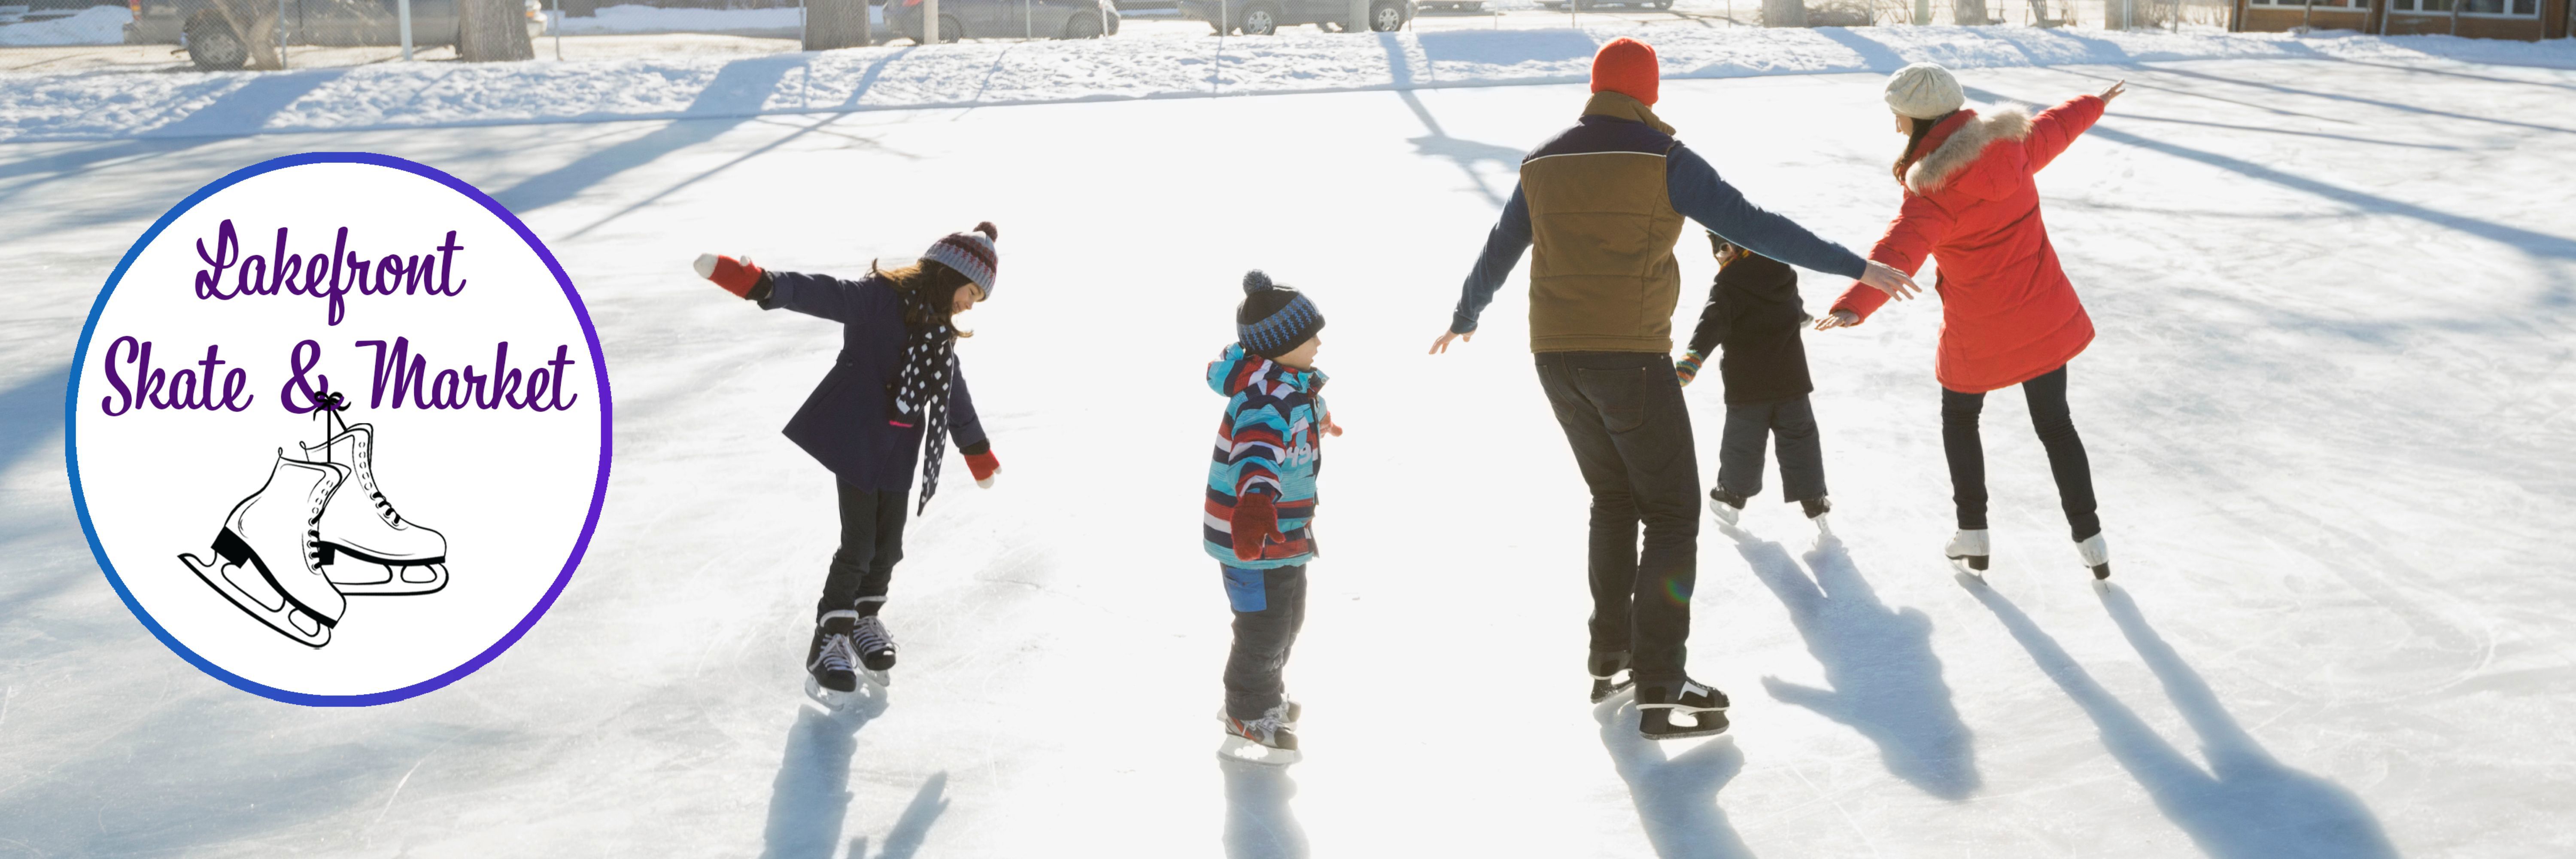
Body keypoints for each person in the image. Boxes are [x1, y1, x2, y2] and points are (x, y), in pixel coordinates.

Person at [1431, 37, 1920, 740]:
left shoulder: (1542, 161)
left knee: (1613, 499)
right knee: (1670, 514)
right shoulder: (1663, 158)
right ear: (1647, 92)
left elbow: (1501, 247)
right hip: (1627, 359)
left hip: (1555, 358)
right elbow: (1753, 226)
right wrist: (1856, 266)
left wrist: (1466, 315)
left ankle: (1612, 659)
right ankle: (1662, 684)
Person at [1815, 63, 2127, 580]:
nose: (1896, 128)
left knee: (1960, 419)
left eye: (1899, 118)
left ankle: (1973, 533)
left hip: (1979, 332)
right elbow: (2057, 126)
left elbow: (1897, 252)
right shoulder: (2014, 147)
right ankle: (2092, 540)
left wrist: (1853, 305)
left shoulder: (1932, 192)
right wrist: (2094, 103)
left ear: (1920, 122)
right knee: (2056, 424)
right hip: (2043, 315)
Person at [692, 224, 1006, 701]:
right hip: (859, 437)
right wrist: (763, 284)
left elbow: (952, 390)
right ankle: (829, 637)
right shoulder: (881, 299)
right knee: (858, 544)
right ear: (949, 275)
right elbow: (829, 295)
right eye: (971, 292)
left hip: (901, 447)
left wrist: (976, 448)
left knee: (889, 546)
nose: (969, 304)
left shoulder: (941, 329)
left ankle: (865, 618)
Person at [1205, 271, 1340, 766]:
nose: (1320, 342)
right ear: (1281, 344)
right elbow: (1255, 454)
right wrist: (1257, 505)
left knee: (1287, 621)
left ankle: (1264, 695)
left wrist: (1321, 417)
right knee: (1263, 628)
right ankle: (1247, 711)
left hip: (1284, 533)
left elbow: (1302, 403)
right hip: (1252, 535)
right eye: (1311, 336)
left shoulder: (1290, 385)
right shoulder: (1264, 398)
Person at [1678, 233, 1832, 537]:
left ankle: (1732, 496)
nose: (1719, 260)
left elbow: (1712, 323)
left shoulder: (1727, 287)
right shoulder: (1783, 275)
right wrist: (1800, 316)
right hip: (1791, 381)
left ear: (1731, 248)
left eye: (1720, 253)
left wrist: (1692, 360)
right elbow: (1795, 307)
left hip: (1748, 385)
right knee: (1800, 439)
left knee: (1743, 442)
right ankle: (1814, 500)